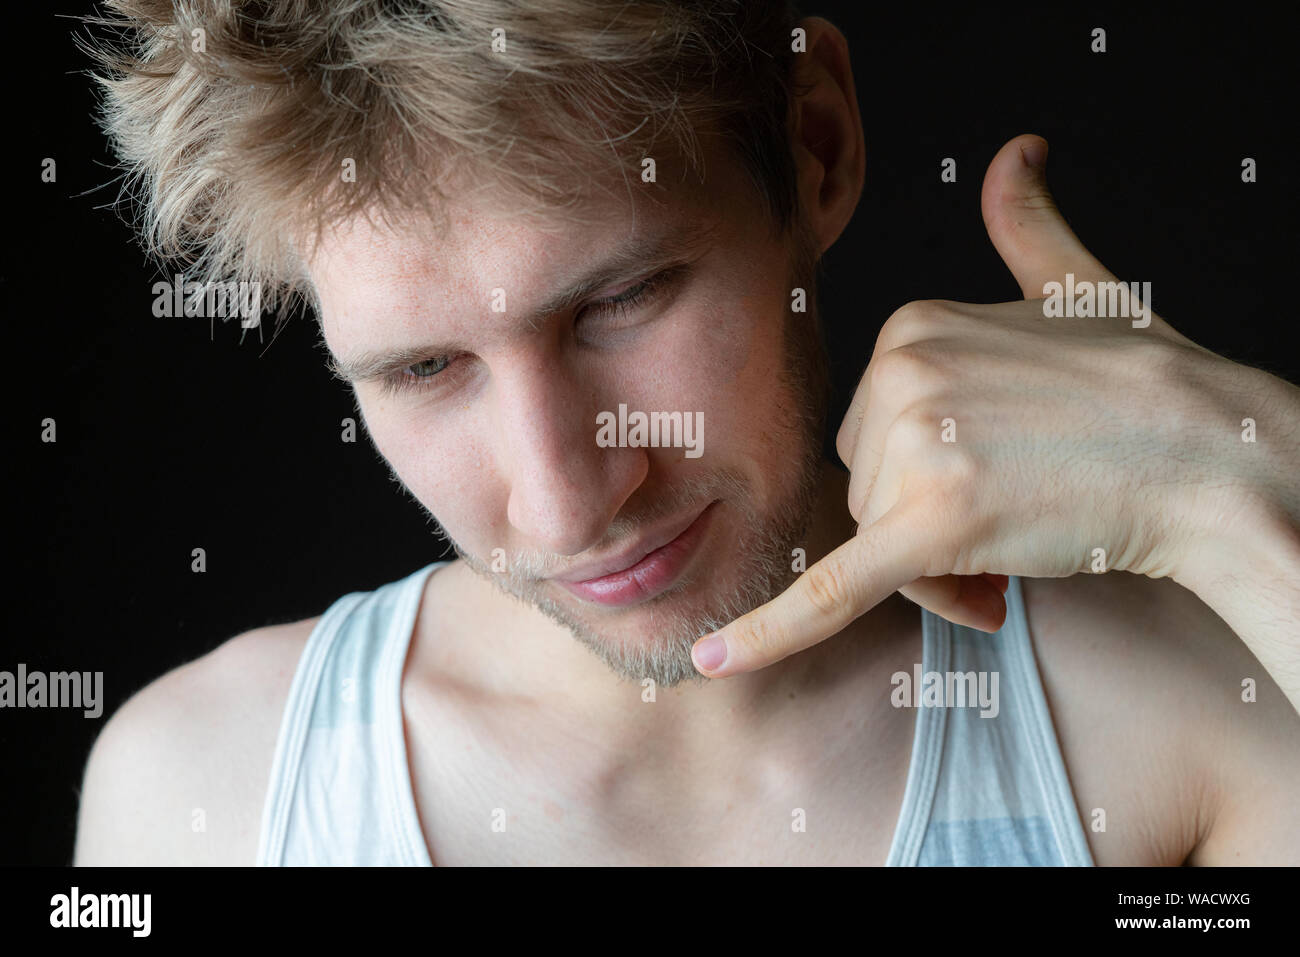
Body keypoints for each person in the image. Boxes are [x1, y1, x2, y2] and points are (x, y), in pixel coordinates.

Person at [74, 1, 1299, 866]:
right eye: (425, 368)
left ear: (812, 147)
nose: (565, 507)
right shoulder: (203, 797)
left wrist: (1243, 477)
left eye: (618, 302)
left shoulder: (1179, 711)